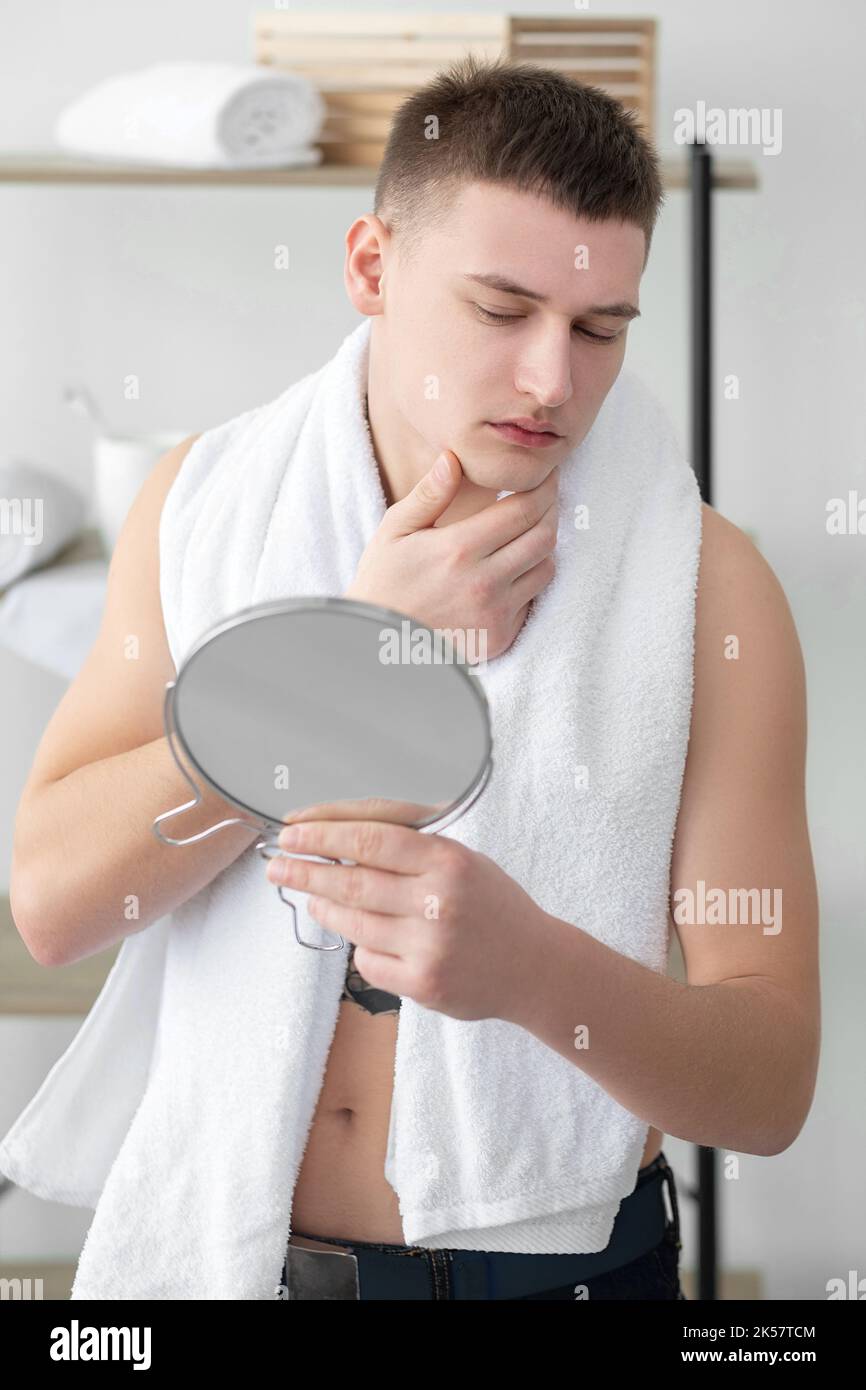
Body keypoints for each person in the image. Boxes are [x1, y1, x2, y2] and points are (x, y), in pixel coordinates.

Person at [10, 56, 820, 1301]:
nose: (552, 381)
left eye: (598, 329)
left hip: (557, 1285)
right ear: (370, 267)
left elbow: (769, 1087)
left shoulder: (709, 591)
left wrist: (533, 971)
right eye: (501, 310)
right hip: (233, 1264)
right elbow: (56, 907)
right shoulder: (199, 506)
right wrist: (342, 658)